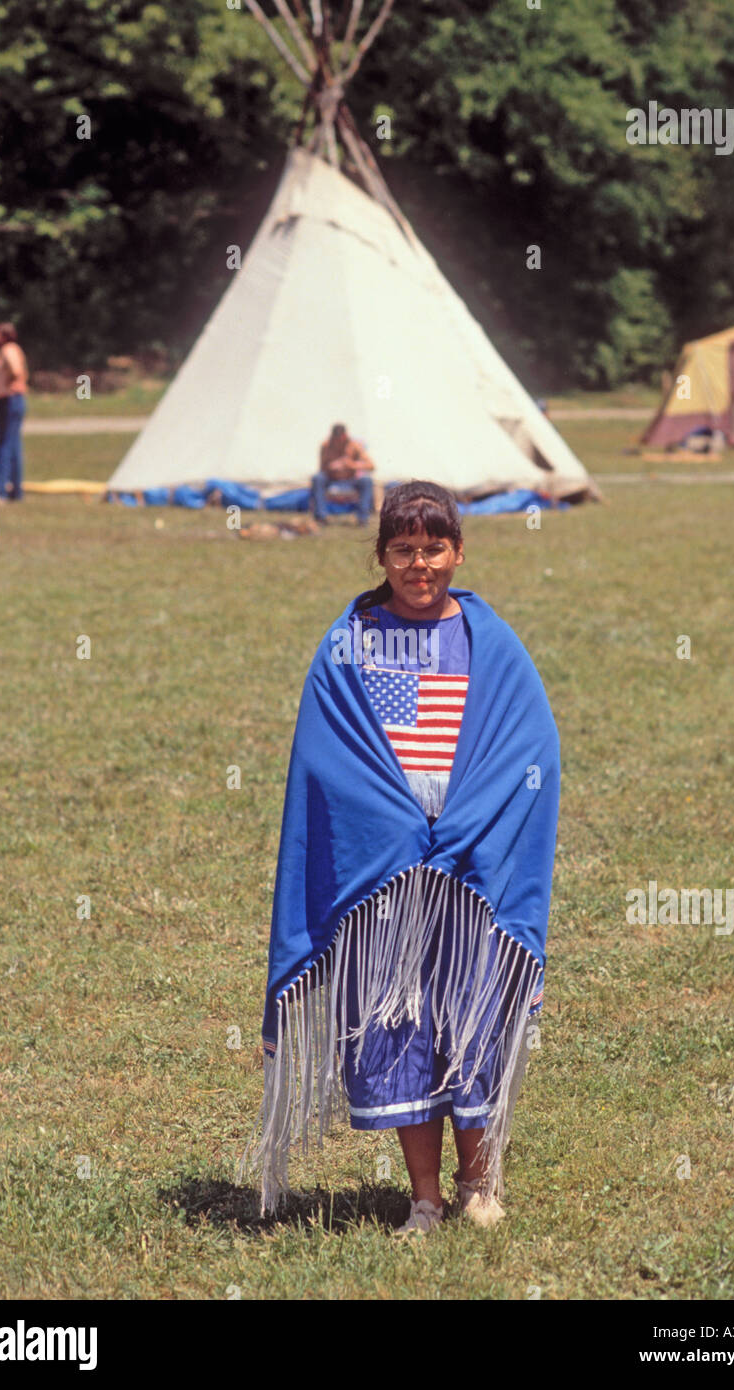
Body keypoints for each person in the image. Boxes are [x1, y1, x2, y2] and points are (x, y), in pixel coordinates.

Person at [240, 480, 560, 1233]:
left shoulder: (489, 640)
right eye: (404, 550)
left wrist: (469, 823)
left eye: (435, 548)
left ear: (459, 550)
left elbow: (531, 748)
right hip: (386, 881)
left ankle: (481, 1186)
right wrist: (394, 827)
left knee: (471, 1020)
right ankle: (424, 1195)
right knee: (400, 1025)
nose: (421, 565)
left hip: (470, 873)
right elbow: (327, 761)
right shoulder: (352, 639)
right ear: (381, 553)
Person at [0, 322, 28, 501]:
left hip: (9, 401)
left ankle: (1, 491)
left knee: (5, 445)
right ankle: (15, 491)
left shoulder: (8, 349)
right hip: (11, 400)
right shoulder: (12, 349)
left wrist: (7, 387)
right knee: (12, 445)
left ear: (4, 335)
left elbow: (16, 370)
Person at [312, 422, 374, 526]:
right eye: (336, 440)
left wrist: (352, 465)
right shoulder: (326, 445)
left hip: (350, 479)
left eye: (340, 440)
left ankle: (362, 518)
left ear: (345, 436)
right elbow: (321, 468)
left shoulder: (354, 445)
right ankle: (321, 517)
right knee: (318, 478)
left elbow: (371, 465)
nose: (338, 443)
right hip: (332, 478)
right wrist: (331, 467)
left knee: (366, 480)